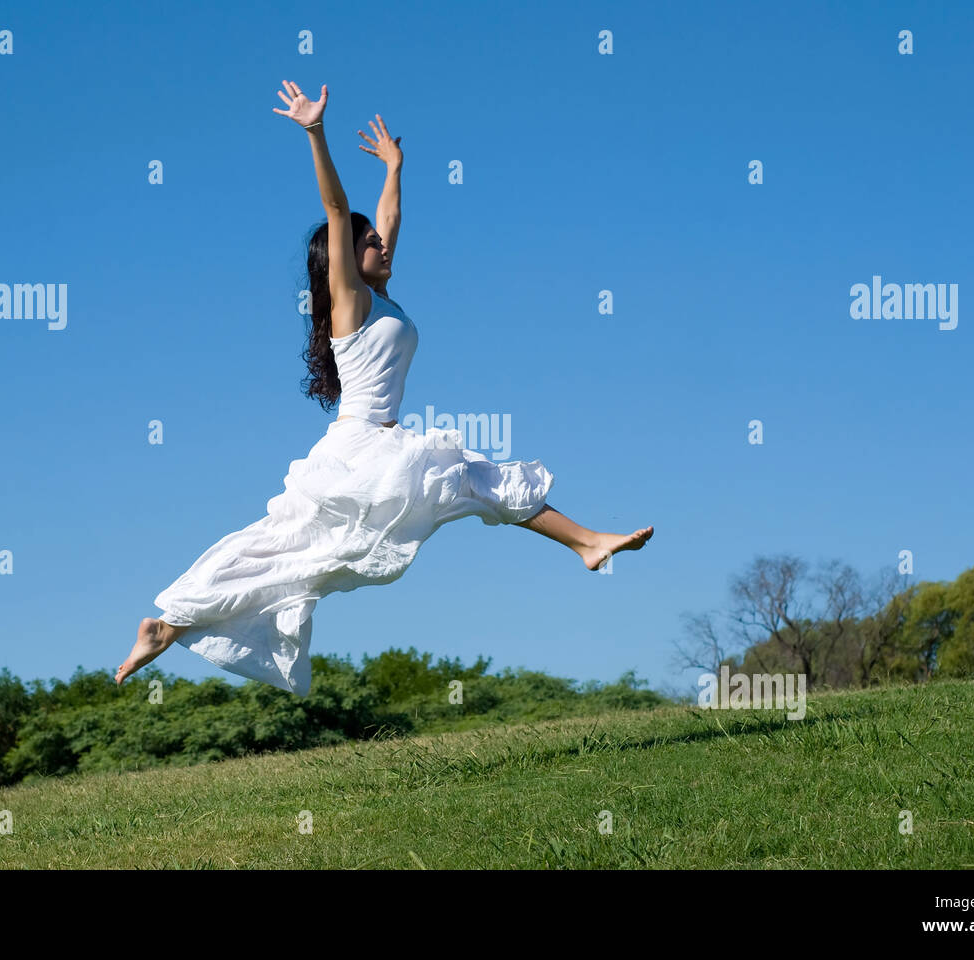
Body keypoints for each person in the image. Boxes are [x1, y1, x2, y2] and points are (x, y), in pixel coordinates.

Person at [115, 80, 653, 695]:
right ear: (346, 256)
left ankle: (588, 543)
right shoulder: (350, 301)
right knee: (288, 548)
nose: (382, 244)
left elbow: (385, 217)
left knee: (452, 492)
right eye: (369, 243)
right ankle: (171, 620)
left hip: (377, 444)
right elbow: (343, 215)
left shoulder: (382, 295)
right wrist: (316, 134)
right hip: (360, 447)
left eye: (379, 241)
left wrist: (395, 168)